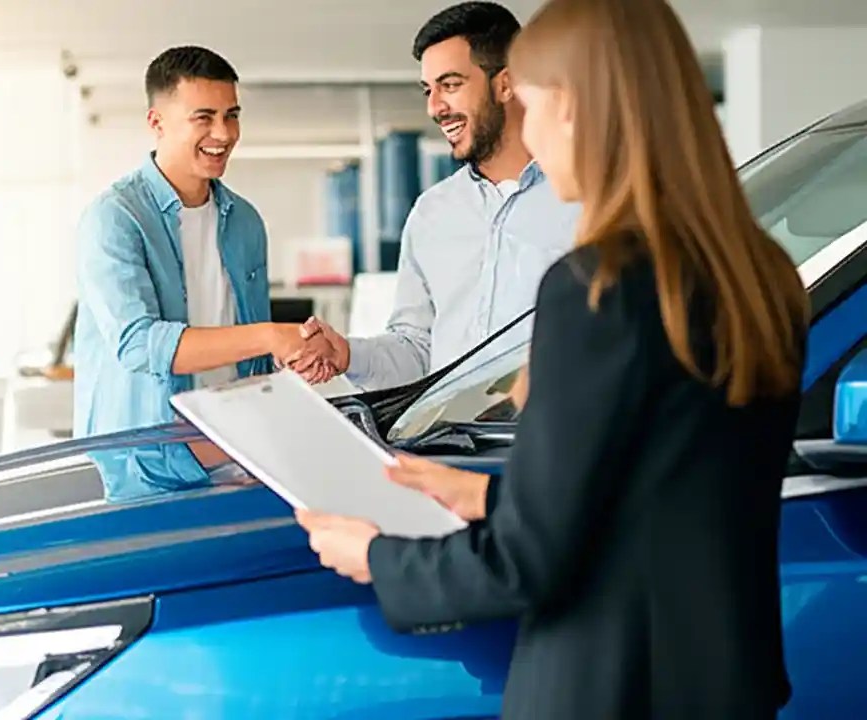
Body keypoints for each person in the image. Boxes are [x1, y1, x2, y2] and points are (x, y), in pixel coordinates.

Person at [294, 0, 810, 717]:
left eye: (533, 106)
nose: (529, 129)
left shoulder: (597, 288)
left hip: (614, 687)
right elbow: (661, 497)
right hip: (724, 685)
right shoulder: (761, 274)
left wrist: (377, 558)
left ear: (573, 109)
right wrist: (492, 497)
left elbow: (528, 563)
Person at [73, 45, 331, 500]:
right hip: (145, 471)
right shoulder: (114, 217)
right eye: (204, 117)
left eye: (232, 115)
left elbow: (250, 356)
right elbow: (138, 344)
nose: (224, 133)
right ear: (157, 123)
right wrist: (271, 336)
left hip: (235, 457)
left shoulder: (245, 222)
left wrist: (298, 353)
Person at [292, 1, 579, 390]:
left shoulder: (585, 199)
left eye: (451, 85)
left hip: (552, 442)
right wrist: (347, 354)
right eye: (429, 90)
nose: (434, 107)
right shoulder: (433, 213)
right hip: (448, 446)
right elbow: (417, 349)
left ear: (506, 83)